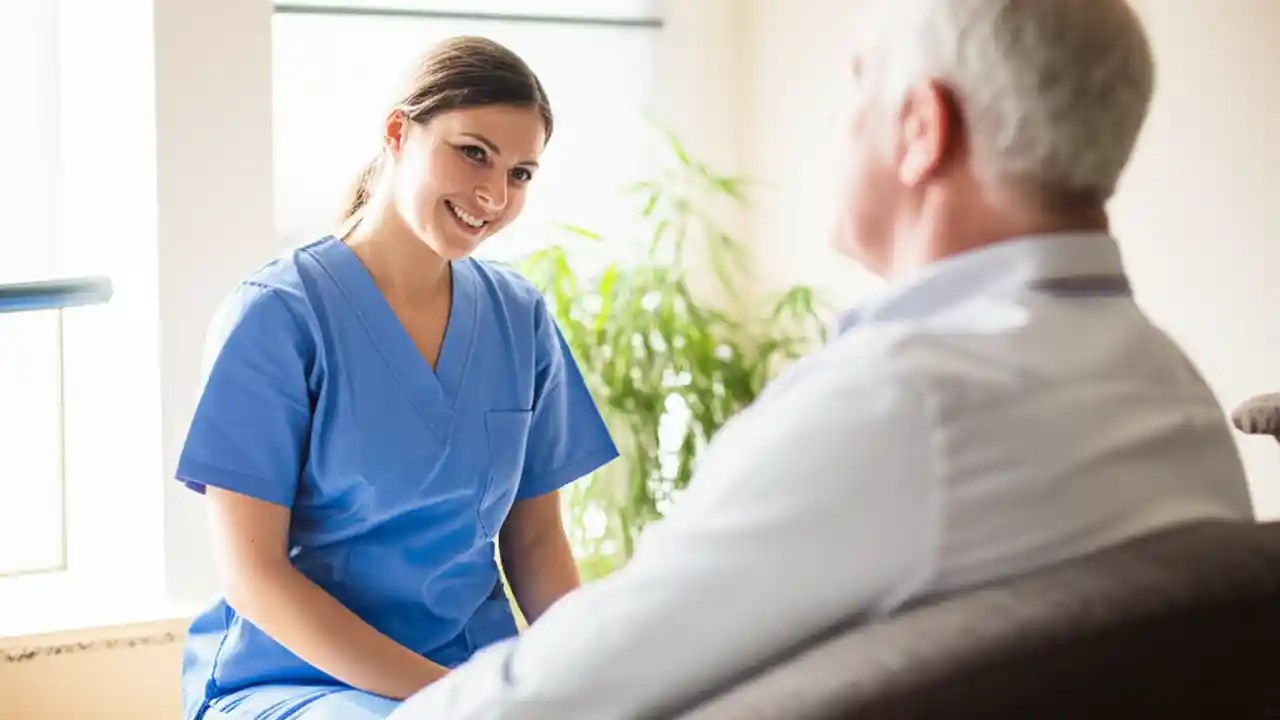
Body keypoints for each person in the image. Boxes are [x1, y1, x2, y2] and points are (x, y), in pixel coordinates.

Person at [388, 1, 1254, 718]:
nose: (836, 127)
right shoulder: (1172, 394)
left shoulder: (906, 403)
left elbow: (562, 693)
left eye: (857, 89)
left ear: (922, 128)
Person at [174, 36, 618, 720]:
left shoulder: (517, 317)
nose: (494, 193)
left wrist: (598, 680)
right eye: (473, 152)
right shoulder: (278, 316)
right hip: (298, 681)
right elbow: (253, 575)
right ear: (397, 133)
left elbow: (534, 543)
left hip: (476, 676)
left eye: (521, 173)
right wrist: (447, 696)